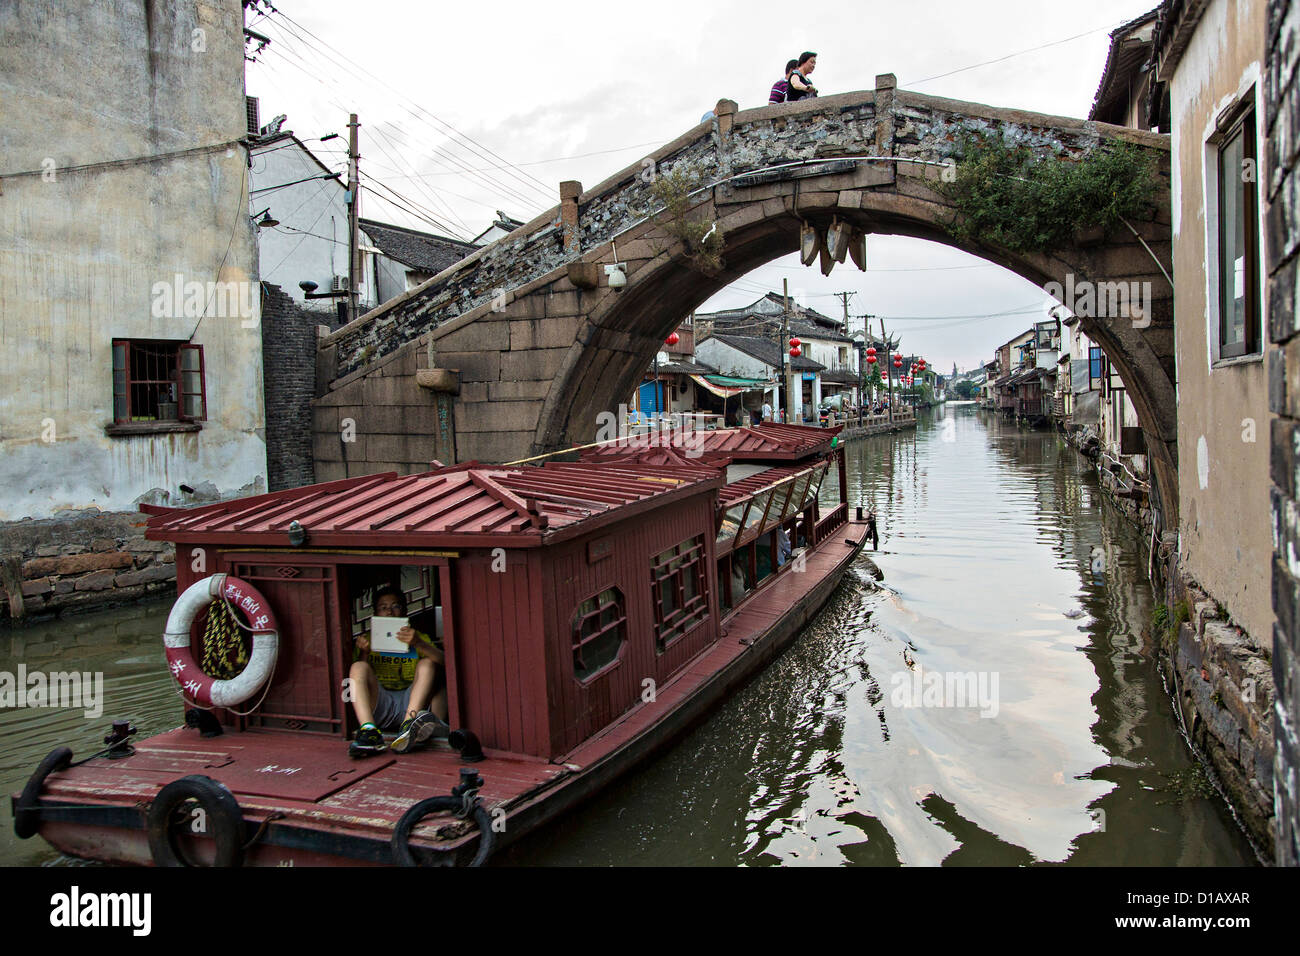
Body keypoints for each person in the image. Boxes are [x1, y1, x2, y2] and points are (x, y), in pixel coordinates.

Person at [347, 585, 449, 758]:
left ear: (404, 610)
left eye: (395, 606)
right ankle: (369, 731)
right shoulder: (368, 640)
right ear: (376, 612)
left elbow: (446, 663)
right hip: (381, 702)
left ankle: (408, 727)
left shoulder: (418, 637)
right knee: (357, 667)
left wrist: (418, 644)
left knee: (428, 665)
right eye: (383, 607)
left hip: (414, 702)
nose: (389, 612)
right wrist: (364, 652)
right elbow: (361, 679)